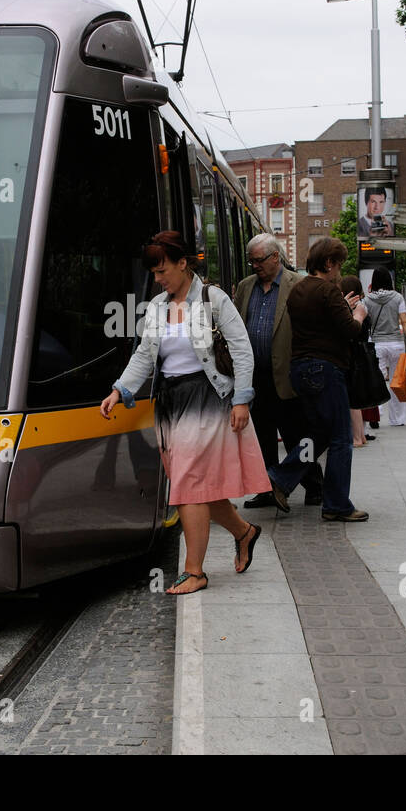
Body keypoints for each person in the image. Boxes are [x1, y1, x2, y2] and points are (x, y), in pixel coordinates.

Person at [101, 231, 270, 595]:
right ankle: (244, 531)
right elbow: (145, 356)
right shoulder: (158, 307)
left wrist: (242, 398)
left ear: (183, 263)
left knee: (188, 484)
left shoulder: (213, 299)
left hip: (206, 397)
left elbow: (242, 349)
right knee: (201, 487)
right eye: (154, 273)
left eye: (163, 270)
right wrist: (120, 389)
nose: (159, 279)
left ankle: (195, 572)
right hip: (170, 402)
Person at [265, 237, 369, 521]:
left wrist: (341, 309)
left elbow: (318, 323)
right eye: (338, 264)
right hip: (325, 369)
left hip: (300, 369)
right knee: (340, 439)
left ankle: (280, 479)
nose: (339, 270)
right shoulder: (328, 290)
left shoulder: (297, 291)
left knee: (319, 434)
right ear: (328, 263)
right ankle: (336, 505)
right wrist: (358, 314)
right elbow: (349, 330)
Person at [233, 234, 324, 508]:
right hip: (257, 376)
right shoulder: (246, 287)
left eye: (259, 260)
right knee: (261, 437)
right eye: (251, 261)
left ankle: (314, 484)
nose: (255, 266)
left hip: (288, 374)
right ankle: (266, 487)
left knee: (299, 436)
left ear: (275, 257)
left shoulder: (297, 284)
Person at [363, 267, 406, 427]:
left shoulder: (367, 300)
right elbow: (404, 321)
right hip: (396, 344)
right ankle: (398, 419)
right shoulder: (398, 298)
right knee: (398, 382)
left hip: (377, 344)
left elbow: (365, 322)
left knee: (377, 382)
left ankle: (375, 416)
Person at [339, 275, 373, 447]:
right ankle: (361, 436)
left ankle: (357, 438)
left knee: (351, 400)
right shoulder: (363, 307)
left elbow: (351, 331)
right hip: (360, 356)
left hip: (351, 357)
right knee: (354, 400)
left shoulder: (354, 310)